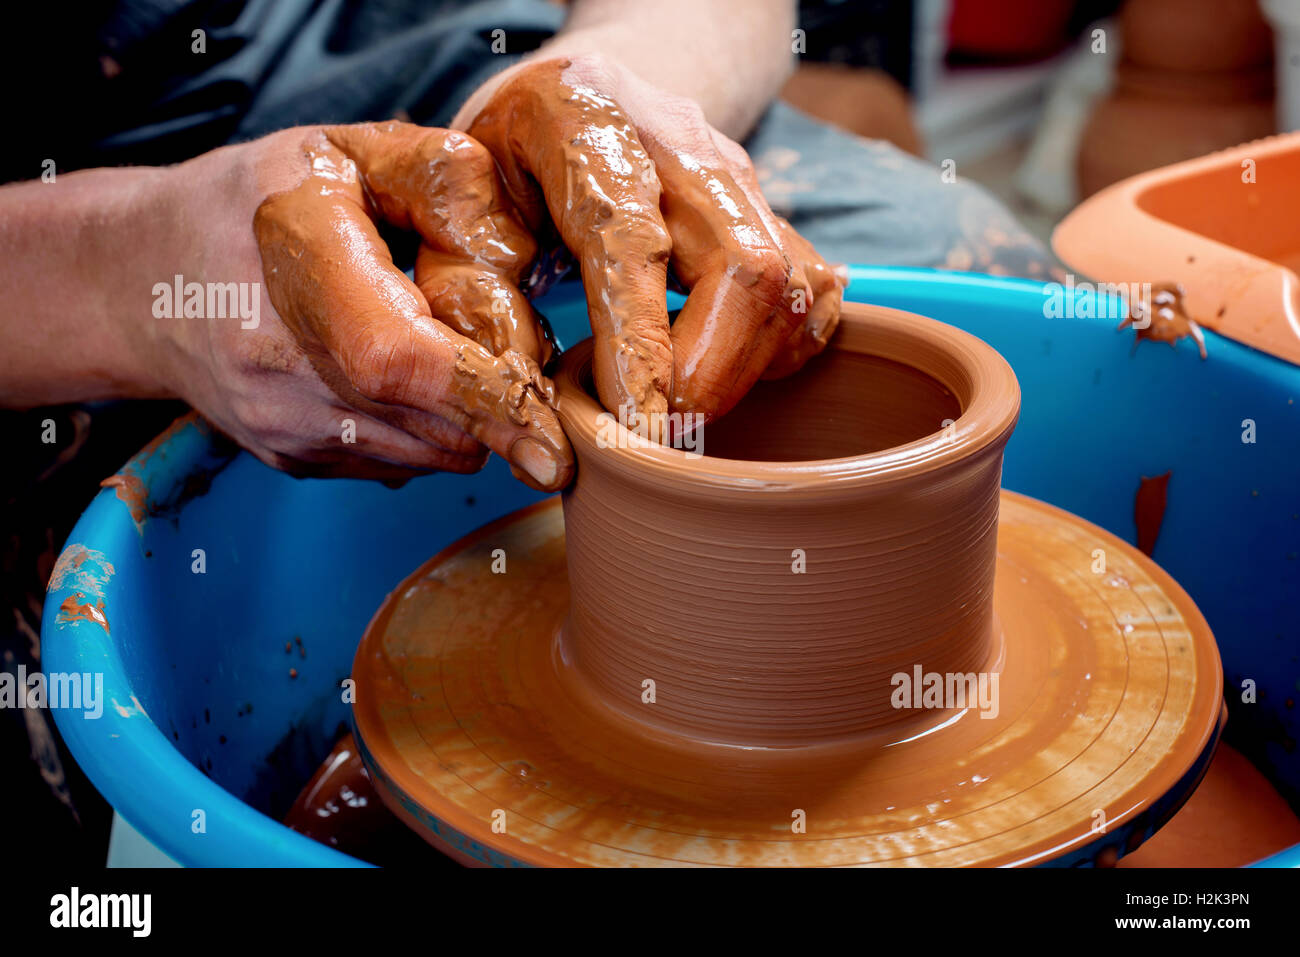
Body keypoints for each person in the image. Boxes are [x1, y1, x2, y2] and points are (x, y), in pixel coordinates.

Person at [0, 0, 1057, 861]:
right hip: (46, 248)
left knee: (947, 275)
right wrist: (121, 277)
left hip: (414, 46)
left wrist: (585, 81)